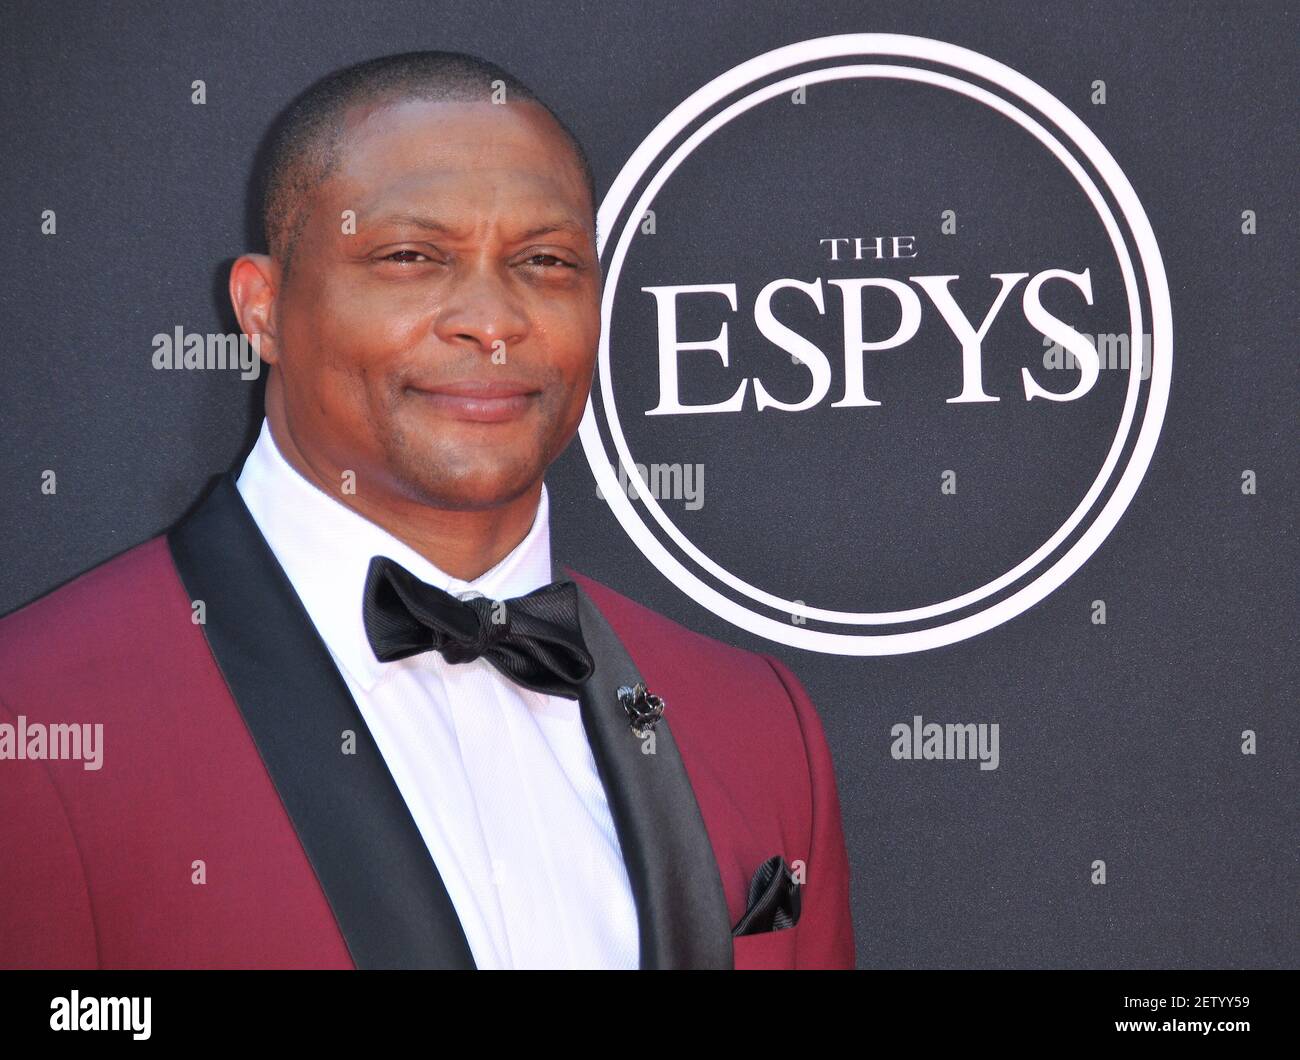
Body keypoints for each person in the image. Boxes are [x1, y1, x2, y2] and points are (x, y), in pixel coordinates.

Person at [0, 50, 853, 970]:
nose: (492, 319)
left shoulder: (760, 727)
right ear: (263, 308)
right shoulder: (40, 723)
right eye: (411, 257)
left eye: (545, 261)